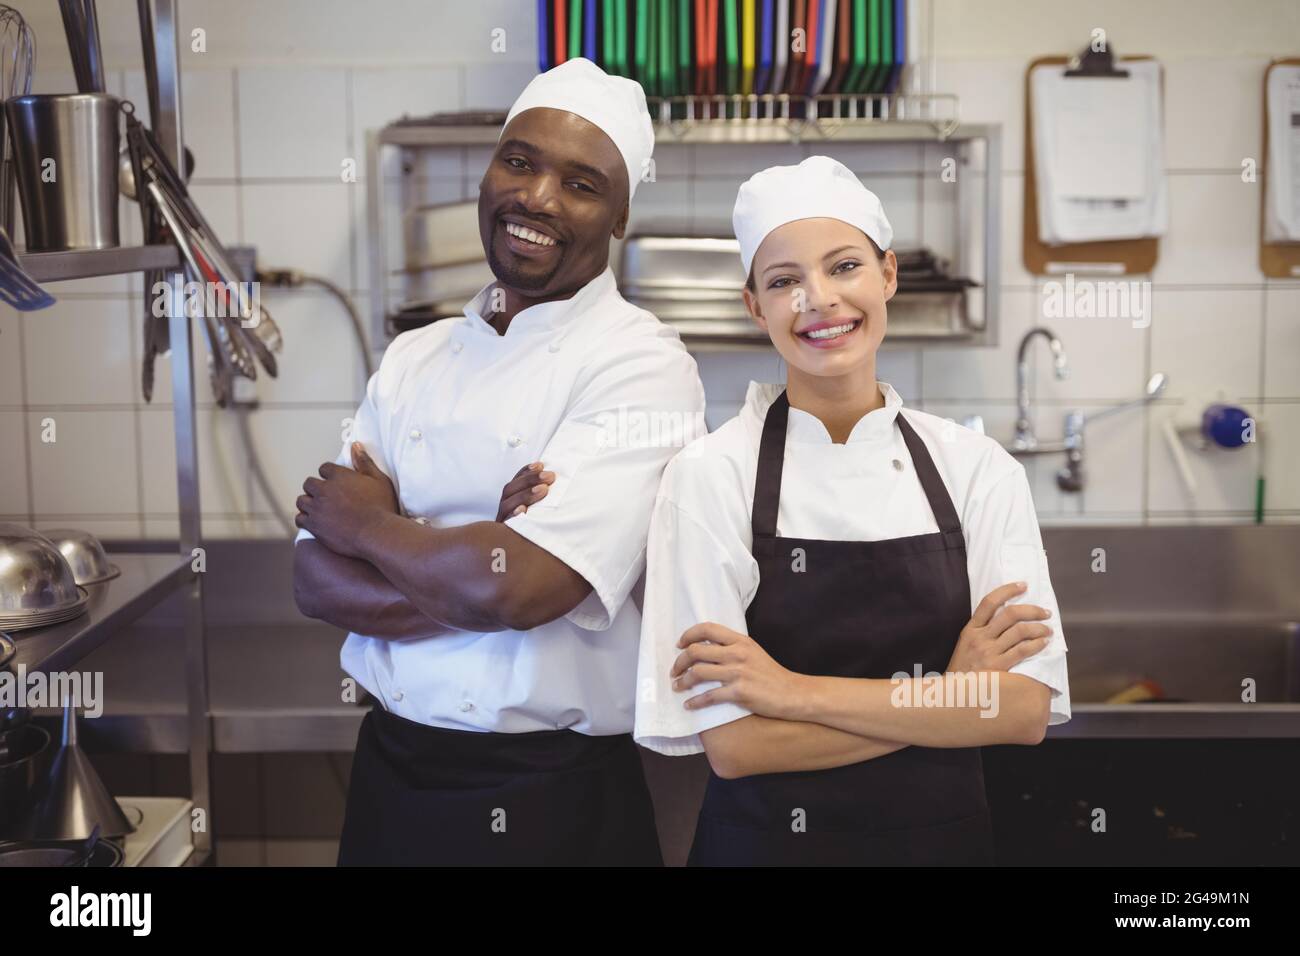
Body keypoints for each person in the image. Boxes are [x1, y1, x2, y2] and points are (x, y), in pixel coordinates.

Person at [293, 58, 705, 866]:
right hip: (392, 776)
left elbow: (517, 587)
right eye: (520, 161)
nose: (538, 198)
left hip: (555, 798)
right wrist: (485, 539)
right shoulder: (414, 358)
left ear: (619, 218)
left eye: (582, 184)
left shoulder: (642, 367)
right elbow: (313, 581)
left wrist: (371, 523)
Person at [633, 155, 1071, 866]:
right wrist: (950, 697)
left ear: (888, 275)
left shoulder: (978, 469)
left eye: (843, 267)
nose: (819, 300)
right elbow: (738, 748)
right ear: (755, 306)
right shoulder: (709, 477)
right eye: (784, 282)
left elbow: (1021, 712)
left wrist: (792, 693)